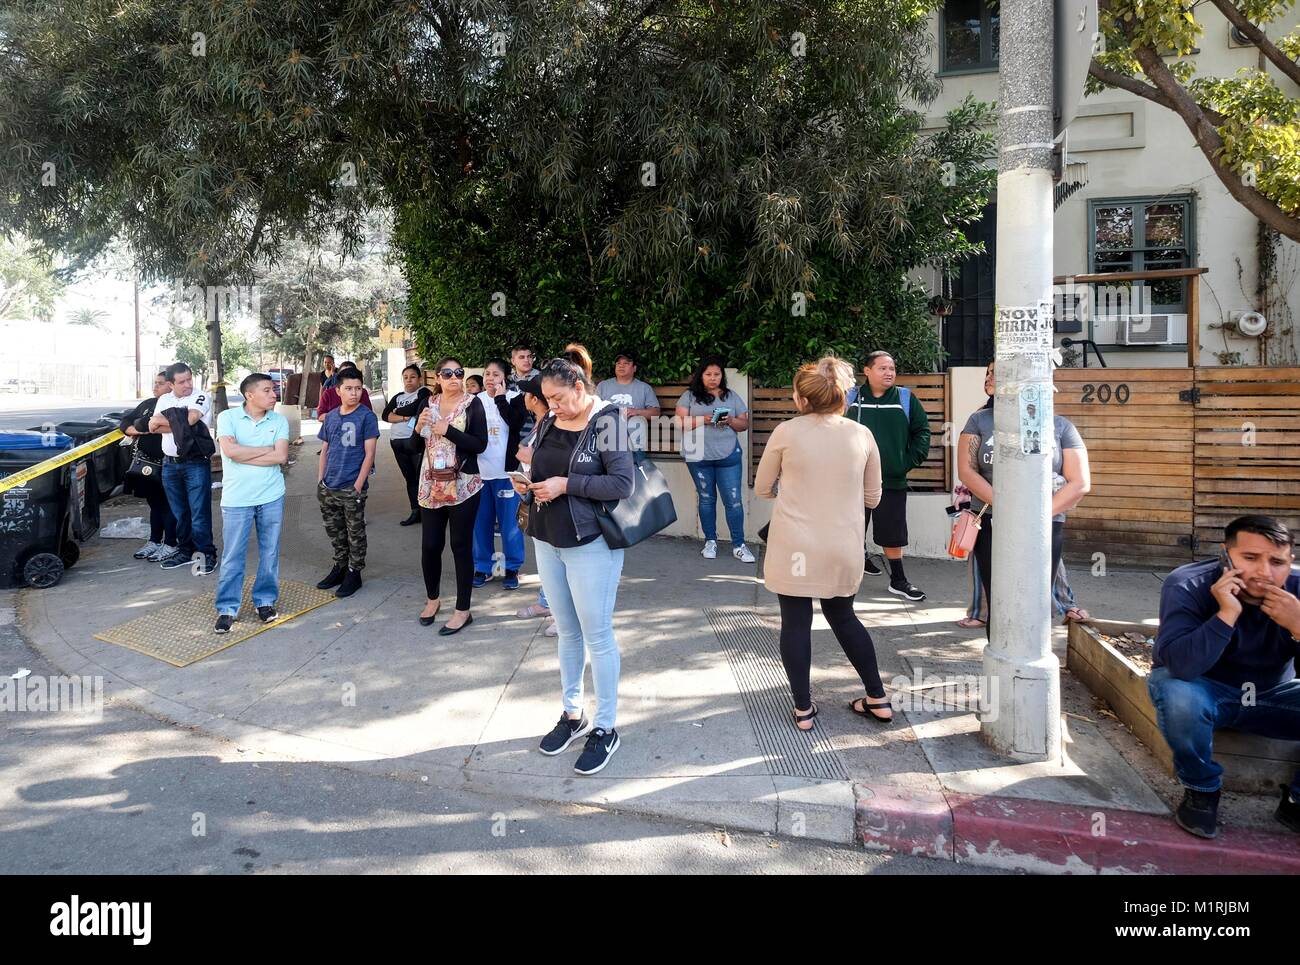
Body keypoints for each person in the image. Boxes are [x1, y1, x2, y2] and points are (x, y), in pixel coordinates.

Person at [511, 356, 634, 775]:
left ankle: (606, 727)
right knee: (566, 631)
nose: (553, 406)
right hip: (548, 539)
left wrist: (566, 485)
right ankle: (571, 714)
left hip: (591, 543)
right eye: (547, 399)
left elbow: (622, 484)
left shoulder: (608, 422)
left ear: (580, 386)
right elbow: (541, 465)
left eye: (559, 398)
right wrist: (528, 483)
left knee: (597, 635)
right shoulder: (548, 421)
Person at [755, 357, 891, 731]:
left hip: (795, 548)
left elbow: (763, 488)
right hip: (842, 546)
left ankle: (803, 710)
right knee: (844, 617)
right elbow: (873, 498)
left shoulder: (785, 432)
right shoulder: (861, 435)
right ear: (843, 397)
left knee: (795, 622)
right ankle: (877, 697)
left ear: (800, 398)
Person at [1149, 515, 1300, 839]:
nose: (1264, 572)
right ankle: (1202, 791)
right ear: (1225, 555)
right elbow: (1180, 667)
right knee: (1176, 694)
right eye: (1250, 558)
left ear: (1291, 561)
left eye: (1277, 561)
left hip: (1274, 696)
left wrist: (1299, 627)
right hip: (1204, 689)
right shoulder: (1186, 583)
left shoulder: (1297, 594)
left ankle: (1296, 801)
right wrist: (1226, 614)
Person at [957, 361, 1091, 641]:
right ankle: (1000, 657)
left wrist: (1038, 517)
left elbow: (1079, 482)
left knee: (1036, 596)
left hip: (1045, 525)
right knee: (999, 596)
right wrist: (1007, 509)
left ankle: (1031, 655)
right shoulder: (979, 421)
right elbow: (967, 470)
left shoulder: (1060, 426)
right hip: (993, 521)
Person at [410, 357, 487, 635]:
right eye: (447, 373)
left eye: (459, 373)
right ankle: (432, 600)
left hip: (464, 485)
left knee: (460, 545)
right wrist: (418, 429)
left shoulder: (473, 404)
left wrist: (448, 430)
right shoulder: (427, 404)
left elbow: (480, 444)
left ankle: (463, 610)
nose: (454, 377)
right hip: (431, 484)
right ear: (438, 379)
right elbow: (411, 447)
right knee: (430, 545)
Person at [846, 351, 931, 602]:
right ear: (867, 371)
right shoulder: (850, 398)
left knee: (892, 533)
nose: (889, 372)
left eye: (892, 368)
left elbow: (922, 432)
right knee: (849, 531)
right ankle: (842, 579)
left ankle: (898, 581)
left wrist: (905, 463)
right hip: (853, 482)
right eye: (882, 368)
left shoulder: (905, 398)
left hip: (891, 481)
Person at [213, 373, 290, 633]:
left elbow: (281, 456)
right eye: (267, 390)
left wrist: (244, 453)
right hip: (237, 499)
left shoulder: (279, 420)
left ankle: (265, 601)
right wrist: (265, 451)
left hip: (271, 496)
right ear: (250, 395)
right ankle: (227, 608)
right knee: (232, 555)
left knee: (270, 552)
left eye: (273, 390)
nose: (273, 395)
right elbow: (230, 452)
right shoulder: (227, 418)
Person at [675, 356, 755, 563]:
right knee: (707, 499)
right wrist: (707, 419)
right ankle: (710, 541)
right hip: (698, 456)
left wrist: (730, 421)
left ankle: (739, 544)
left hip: (728, 454)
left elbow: (744, 424)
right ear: (701, 376)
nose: (713, 378)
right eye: (708, 374)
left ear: (722, 376)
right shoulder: (689, 396)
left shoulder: (732, 396)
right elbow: (680, 422)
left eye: (717, 374)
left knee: (733, 501)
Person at [316, 369, 380, 598]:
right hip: (329, 486)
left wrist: (358, 485)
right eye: (349, 389)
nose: (354, 393)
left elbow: (369, 453)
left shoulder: (366, 416)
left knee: (355, 532)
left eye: (358, 388)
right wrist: (320, 480)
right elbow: (324, 449)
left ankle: (355, 572)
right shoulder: (331, 416)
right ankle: (340, 565)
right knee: (335, 531)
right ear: (338, 390)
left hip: (352, 486)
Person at [148, 362, 217, 573]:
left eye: (189, 379)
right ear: (170, 384)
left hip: (195, 462)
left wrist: (168, 421)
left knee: (199, 513)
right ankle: (186, 550)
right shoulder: (164, 399)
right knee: (180, 512)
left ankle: (206, 554)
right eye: (182, 381)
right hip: (170, 464)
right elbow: (152, 426)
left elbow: (192, 418)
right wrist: (180, 423)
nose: (188, 384)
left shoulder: (201, 395)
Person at [472, 359, 527, 591]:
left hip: (507, 474)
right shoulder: (475, 401)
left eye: (495, 374)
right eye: (487, 374)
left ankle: (512, 567)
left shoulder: (515, 399)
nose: (490, 378)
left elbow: (515, 423)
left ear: (505, 377)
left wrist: (501, 399)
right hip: (480, 473)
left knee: (509, 525)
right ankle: (483, 567)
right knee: (481, 523)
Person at [512, 373, 559, 637]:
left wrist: (527, 454)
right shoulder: (539, 422)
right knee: (546, 558)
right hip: (536, 499)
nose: (524, 397)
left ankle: (562, 615)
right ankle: (546, 603)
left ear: (535, 398)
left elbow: (553, 460)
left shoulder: (553, 422)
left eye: (528, 393)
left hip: (552, 502)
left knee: (557, 561)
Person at [120, 370, 177, 562]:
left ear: (171, 385)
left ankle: (170, 543)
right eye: (155, 383)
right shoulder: (148, 404)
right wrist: (136, 429)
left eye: (159, 383)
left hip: (169, 464)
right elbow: (128, 421)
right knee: (155, 504)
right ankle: (154, 541)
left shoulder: (174, 404)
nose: (155, 387)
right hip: (147, 465)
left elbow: (153, 425)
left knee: (169, 505)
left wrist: (146, 426)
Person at [381, 364, 433, 526]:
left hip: (415, 442)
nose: (409, 380)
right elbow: (384, 415)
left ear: (419, 378)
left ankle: (428, 513)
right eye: (405, 377)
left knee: (422, 478)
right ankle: (415, 511)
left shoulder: (424, 392)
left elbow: (416, 407)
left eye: (412, 377)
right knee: (410, 479)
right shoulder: (397, 397)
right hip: (396, 442)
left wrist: (397, 412)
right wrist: (404, 417)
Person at [596, 351, 660, 451]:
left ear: (634, 368)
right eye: (618, 363)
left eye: (626, 363)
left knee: (637, 421)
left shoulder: (644, 388)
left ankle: (638, 460)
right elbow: (593, 409)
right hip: (608, 427)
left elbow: (655, 413)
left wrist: (636, 412)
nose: (621, 366)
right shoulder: (603, 386)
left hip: (631, 428)